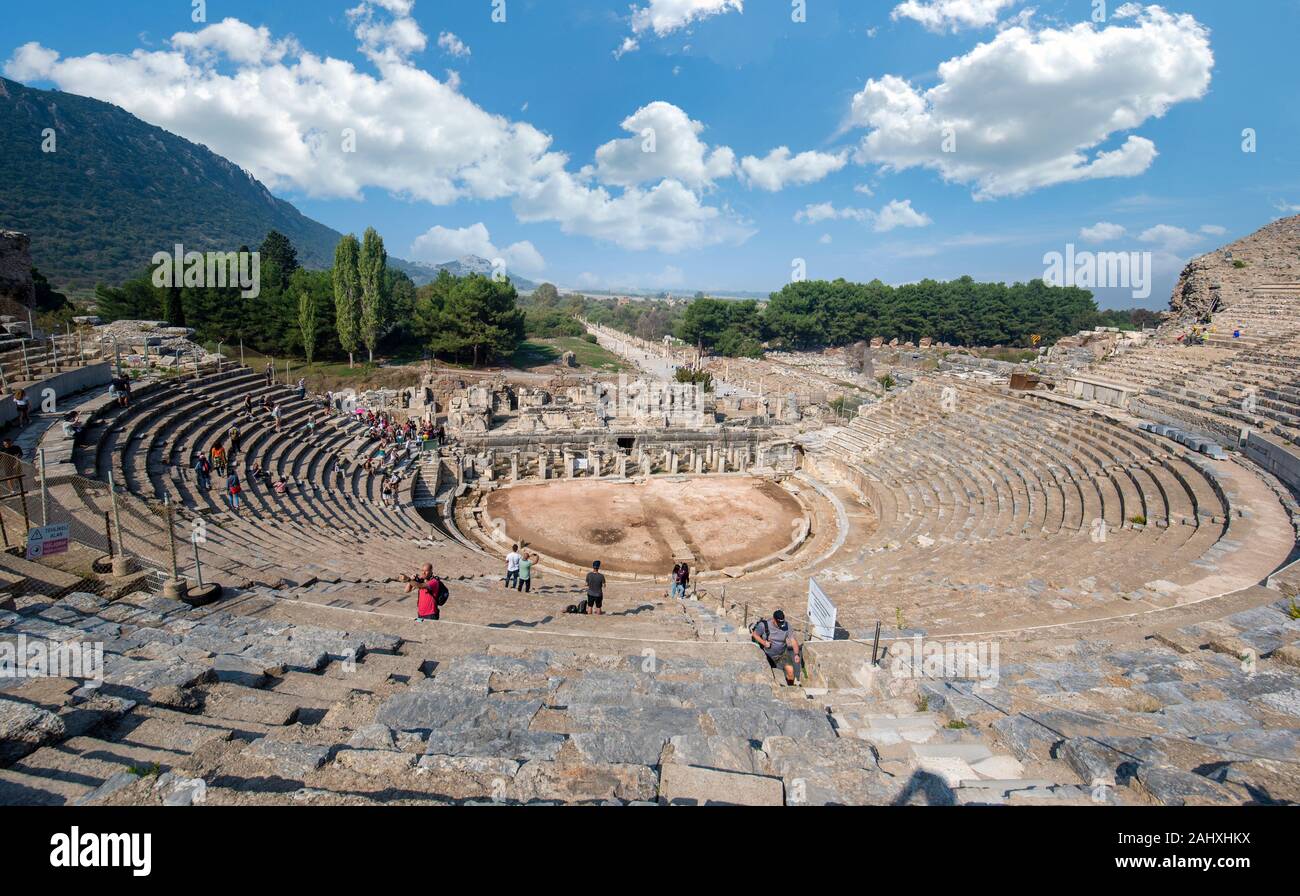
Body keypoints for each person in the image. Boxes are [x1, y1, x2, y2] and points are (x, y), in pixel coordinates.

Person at [752, 609, 801, 686]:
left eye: (782, 622)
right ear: (774, 619)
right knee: (769, 677)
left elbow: (793, 640)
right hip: (767, 655)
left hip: (781, 655)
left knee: (791, 670)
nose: (781, 625)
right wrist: (764, 643)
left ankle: (790, 688)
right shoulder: (764, 625)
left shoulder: (787, 626)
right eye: (779, 623)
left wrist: (796, 654)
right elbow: (755, 634)